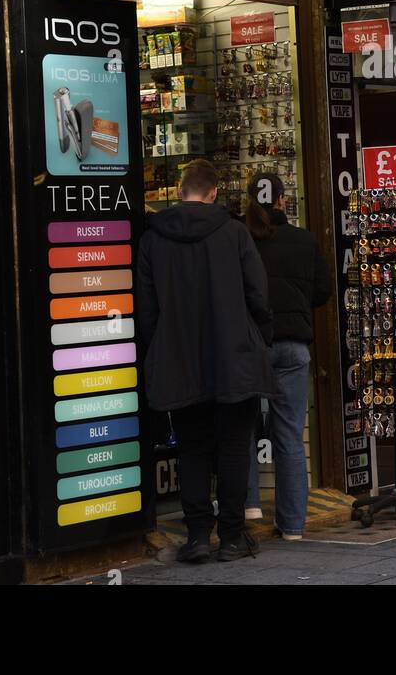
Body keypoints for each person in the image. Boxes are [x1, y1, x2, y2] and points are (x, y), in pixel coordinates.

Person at [137, 158, 273, 564]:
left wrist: (160, 349)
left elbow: (147, 310)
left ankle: (197, 536)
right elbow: (258, 295)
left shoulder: (152, 239)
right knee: (233, 449)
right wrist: (259, 338)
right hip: (233, 358)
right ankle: (231, 536)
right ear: (214, 193)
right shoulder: (235, 233)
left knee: (192, 449)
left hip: (179, 359)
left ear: (180, 191)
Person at [243, 173, 333, 540]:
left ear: (250, 201)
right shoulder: (304, 240)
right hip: (294, 345)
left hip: (252, 344)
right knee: (290, 437)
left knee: (242, 427)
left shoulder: (242, 239)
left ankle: (248, 505)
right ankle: (293, 524)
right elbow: (322, 292)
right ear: (282, 199)